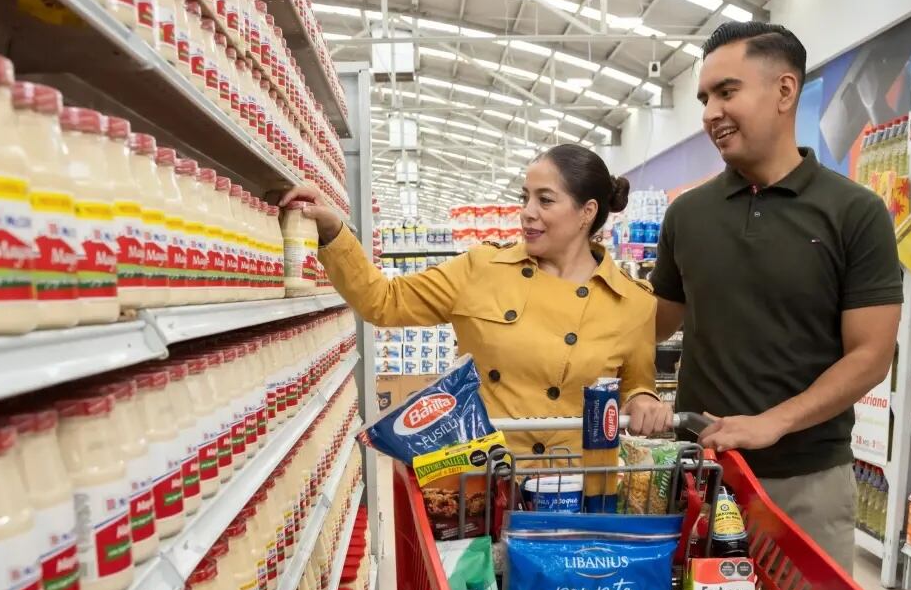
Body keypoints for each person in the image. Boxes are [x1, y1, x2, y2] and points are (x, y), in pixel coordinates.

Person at [649, 21, 902, 571]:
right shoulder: (687, 216)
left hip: (806, 483)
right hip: (701, 474)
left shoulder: (854, 212)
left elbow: (870, 355)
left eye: (727, 92)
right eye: (704, 98)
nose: (711, 111)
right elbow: (653, 325)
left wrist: (776, 421)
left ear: (785, 91)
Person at [280, 143, 674, 456]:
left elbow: (635, 386)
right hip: (483, 484)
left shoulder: (633, 303)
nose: (527, 213)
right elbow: (382, 301)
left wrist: (644, 401)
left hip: (578, 488)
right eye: (525, 198)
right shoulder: (482, 268)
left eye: (545, 200)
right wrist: (333, 232)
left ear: (587, 212)